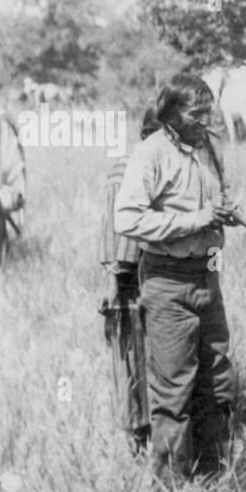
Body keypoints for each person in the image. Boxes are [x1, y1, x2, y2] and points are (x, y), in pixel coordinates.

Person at [114, 74, 246, 486]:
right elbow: (128, 218)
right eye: (195, 113)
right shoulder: (150, 154)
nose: (204, 120)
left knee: (217, 380)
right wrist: (196, 220)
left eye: (208, 111)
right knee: (174, 392)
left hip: (207, 277)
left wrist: (226, 212)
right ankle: (168, 489)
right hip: (168, 281)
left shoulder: (209, 147)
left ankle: (211, 476)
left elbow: (217, 195)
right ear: (170, 114)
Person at [98, 108, 160, 455]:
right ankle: (138, 439)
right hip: (128, 283)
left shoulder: (158, 169)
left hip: (154, 280)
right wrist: (117, 280)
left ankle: (153, 434)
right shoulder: (128, 171)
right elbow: (118, 236)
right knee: (133, 360)